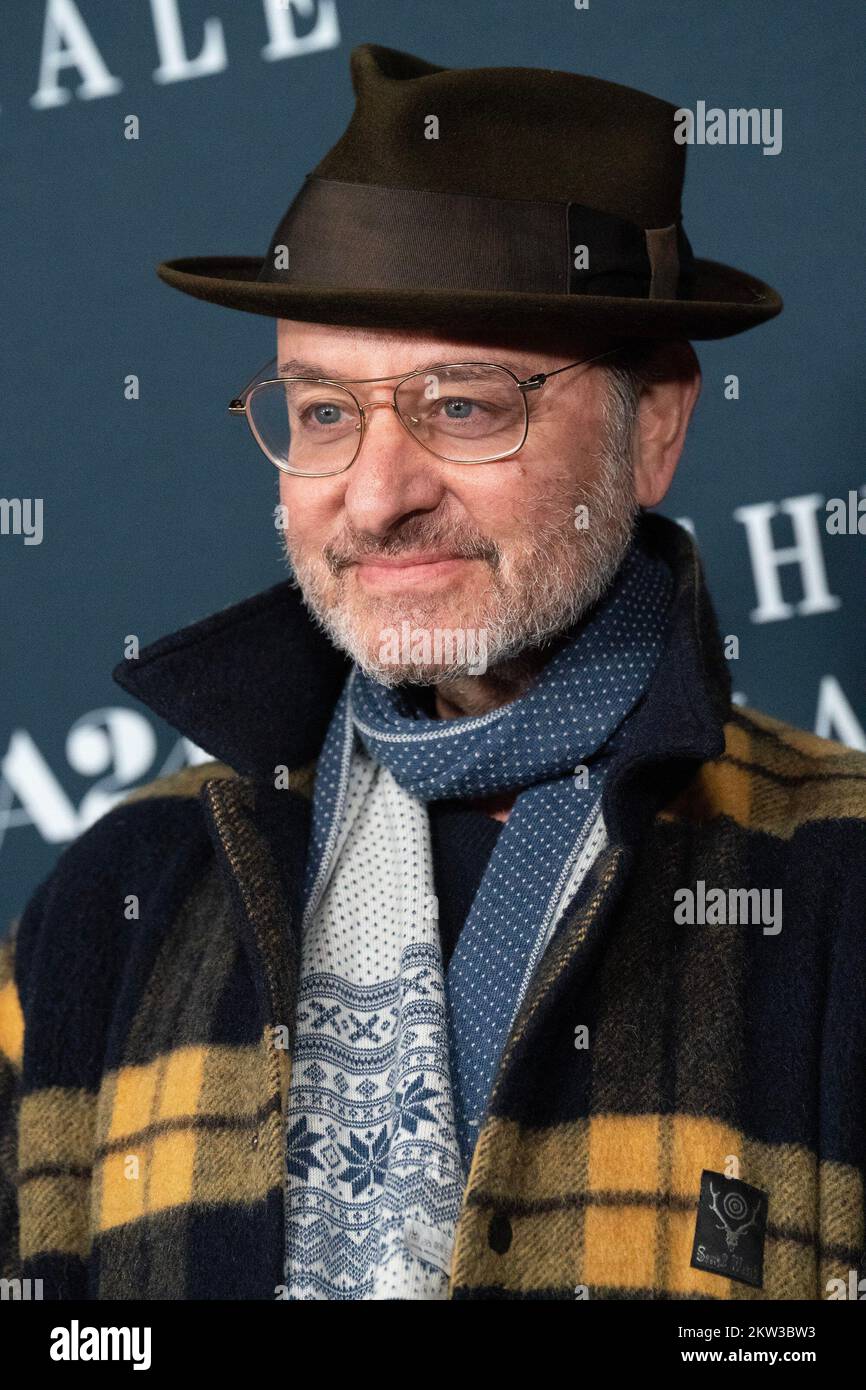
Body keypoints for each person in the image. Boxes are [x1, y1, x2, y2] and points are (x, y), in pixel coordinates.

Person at [2, 43, 864, 1303]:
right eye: (322, 411)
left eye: (462, 405)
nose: (377, 494)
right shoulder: (104, 907)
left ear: (655, 424)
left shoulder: (840, 884)